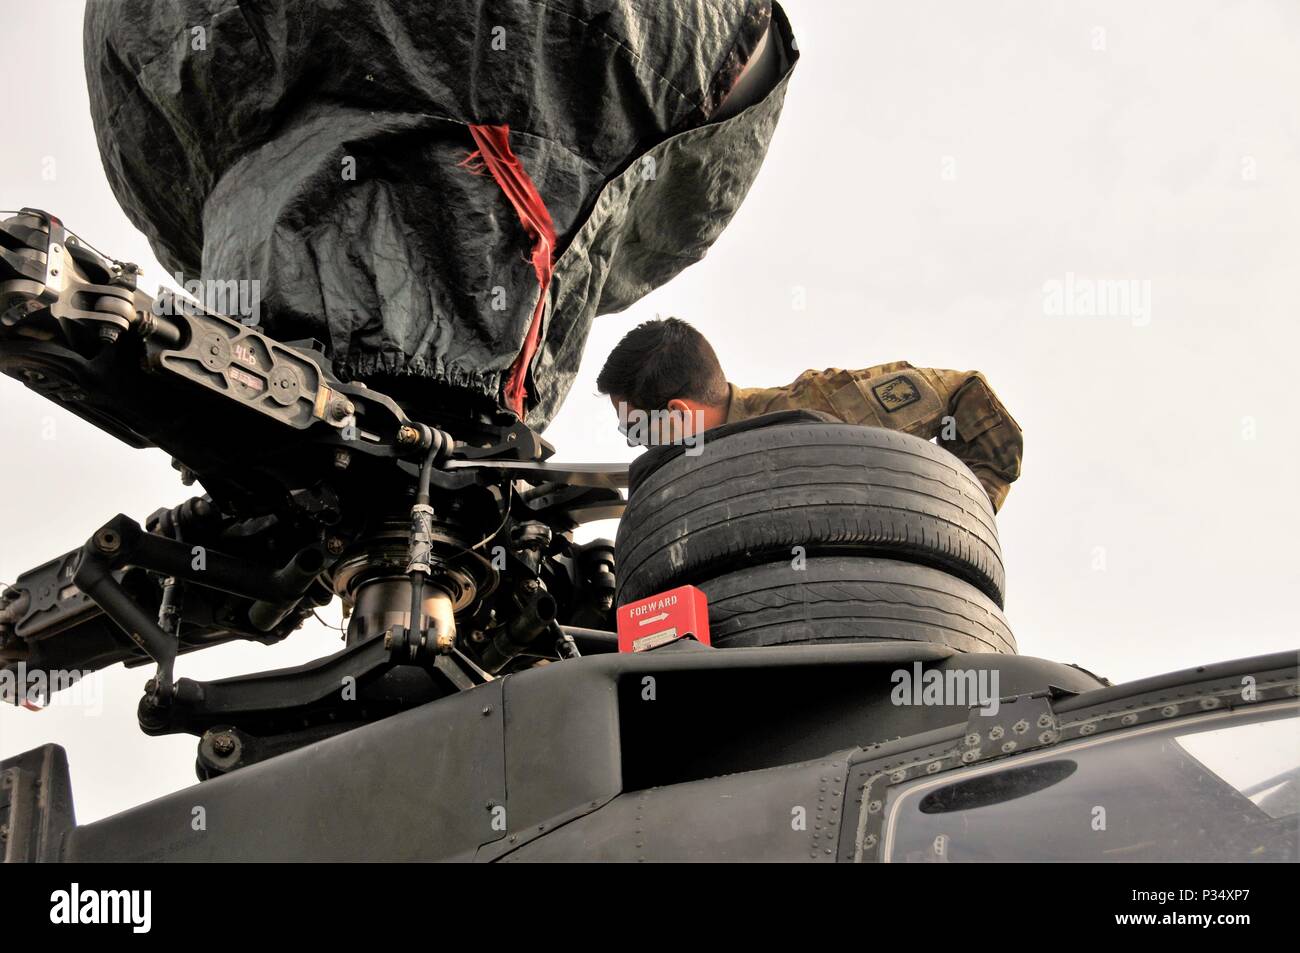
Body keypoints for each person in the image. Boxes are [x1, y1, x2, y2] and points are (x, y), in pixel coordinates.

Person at [596, 317, 1023, 511]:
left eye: (637, 430)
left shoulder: (822, 411)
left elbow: (964, 392)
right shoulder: (678, 493)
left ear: (678, 413)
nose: (637, 446)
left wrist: (960, 513)